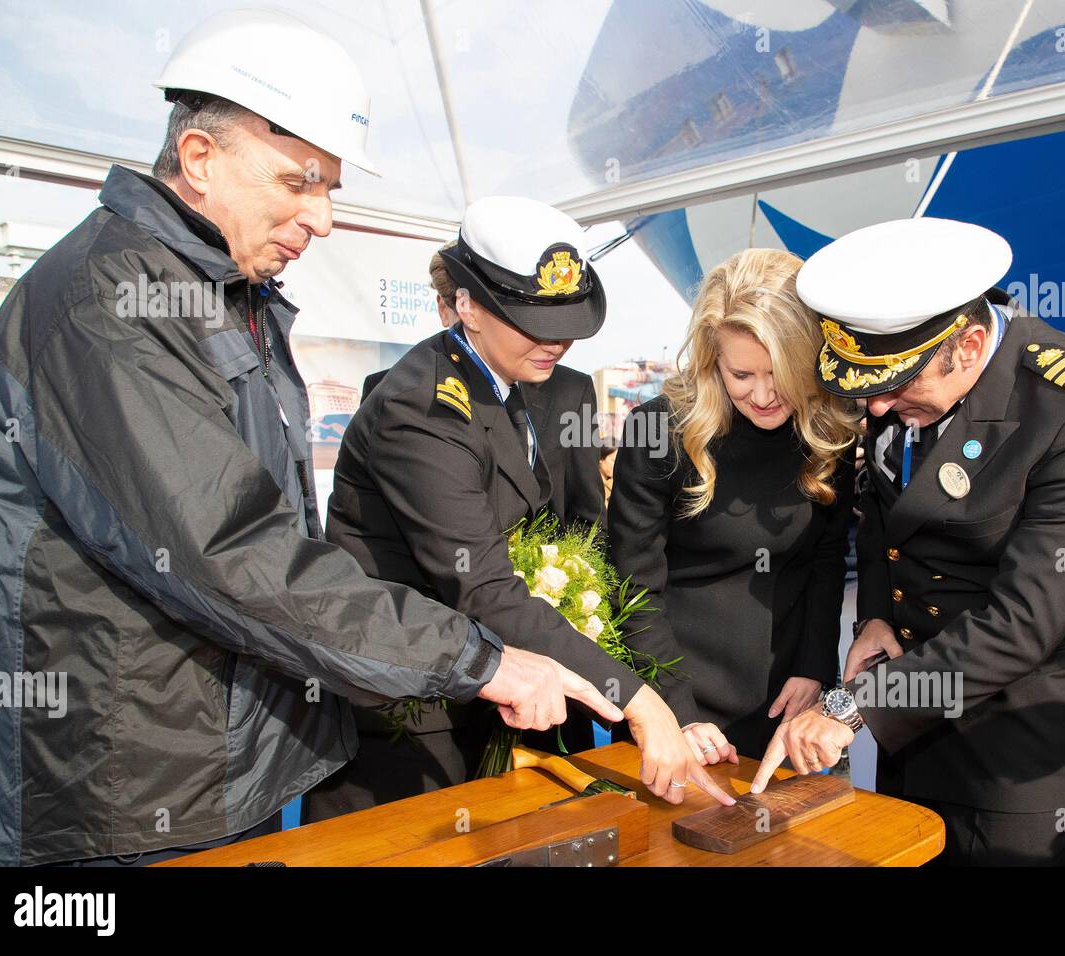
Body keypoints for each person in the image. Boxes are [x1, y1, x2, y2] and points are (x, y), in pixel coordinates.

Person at [0, 10, 618, 867]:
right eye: (298, 183)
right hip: (121, 790)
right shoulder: (104, 300)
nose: (323, 219)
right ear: (200, 159)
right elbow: (234, 553)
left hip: (221, 759)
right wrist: (484, 662)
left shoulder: (225, 288)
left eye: (330, 189)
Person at [308, 196, 733, 819]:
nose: (557, 340)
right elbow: (483, 589)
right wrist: (639, 701)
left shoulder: (533, 386)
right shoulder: (421, 410)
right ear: (467, 305)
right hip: (419, 722)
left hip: (521, 702)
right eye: (531, 319)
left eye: (567, 320)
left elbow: (574, 536)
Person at [753, 217, 1065, 866]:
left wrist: (853, 708)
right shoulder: (898, 385)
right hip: (911, 728)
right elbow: (884, 512)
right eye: (865, 388)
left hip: (1016, 755)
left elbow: (1023, 623)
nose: (874, 410)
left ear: (965, 347)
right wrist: (877, 614)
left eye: (895, 386)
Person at [607, 249, 858, 761]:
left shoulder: (829, 427)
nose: (764, 395)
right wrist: (673, 711)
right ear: (711, 360)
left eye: (780, 373)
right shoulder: (661, 431)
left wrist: (814, 667)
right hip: (673, 697)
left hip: (789, 702)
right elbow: (634, 585)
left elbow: (826, 561)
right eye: (741, 375)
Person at [361, 241, 604, 529]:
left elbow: (588, 513)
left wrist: (576, 572)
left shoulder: (570, 391)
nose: (553, 343)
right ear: (450, 308)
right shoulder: (400, 395)